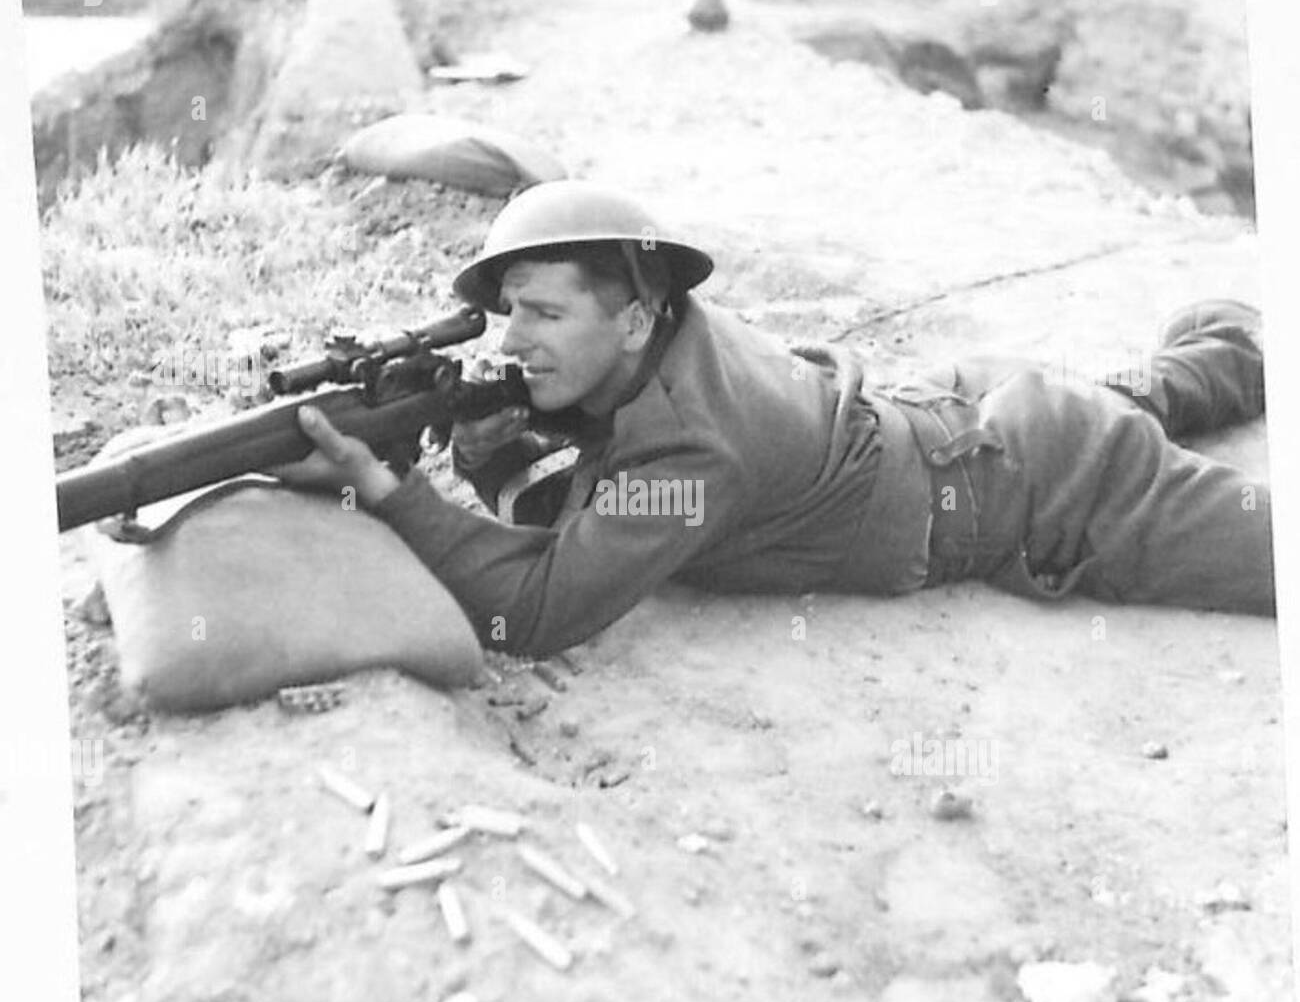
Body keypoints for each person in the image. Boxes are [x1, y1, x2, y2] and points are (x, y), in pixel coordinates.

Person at [273, 181, 1272, 656]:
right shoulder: (661, 333)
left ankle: (1224, 350)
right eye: (510, 313)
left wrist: (392, 493)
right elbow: (586, 497)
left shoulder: (694, 450)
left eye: (544, 314)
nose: (514, 341)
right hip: (968, 408)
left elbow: (536, 611)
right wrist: (494, 456)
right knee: (1116, 397)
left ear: (632, 319)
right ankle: (1231, 343)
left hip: (1044, 482)